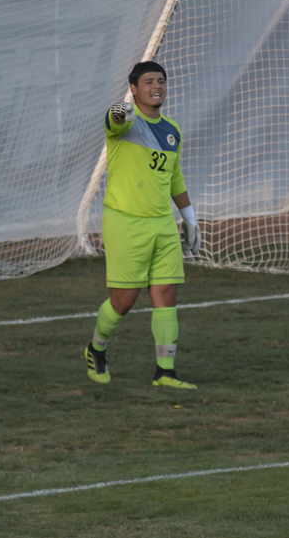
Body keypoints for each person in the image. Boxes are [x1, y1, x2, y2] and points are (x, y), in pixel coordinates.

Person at [84, 61, 201, 389]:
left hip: (163, 224)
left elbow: (174, 176)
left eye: (161, 81)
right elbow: (112, 117)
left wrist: (189, 217)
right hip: (125, 222)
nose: (157, 86)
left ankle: (165, 372)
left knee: (166, 293)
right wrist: (125, 108)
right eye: (148, 81)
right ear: (134, 88)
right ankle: (96, 348)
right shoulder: (123, 124)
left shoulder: (172, 130)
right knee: (124, 300)